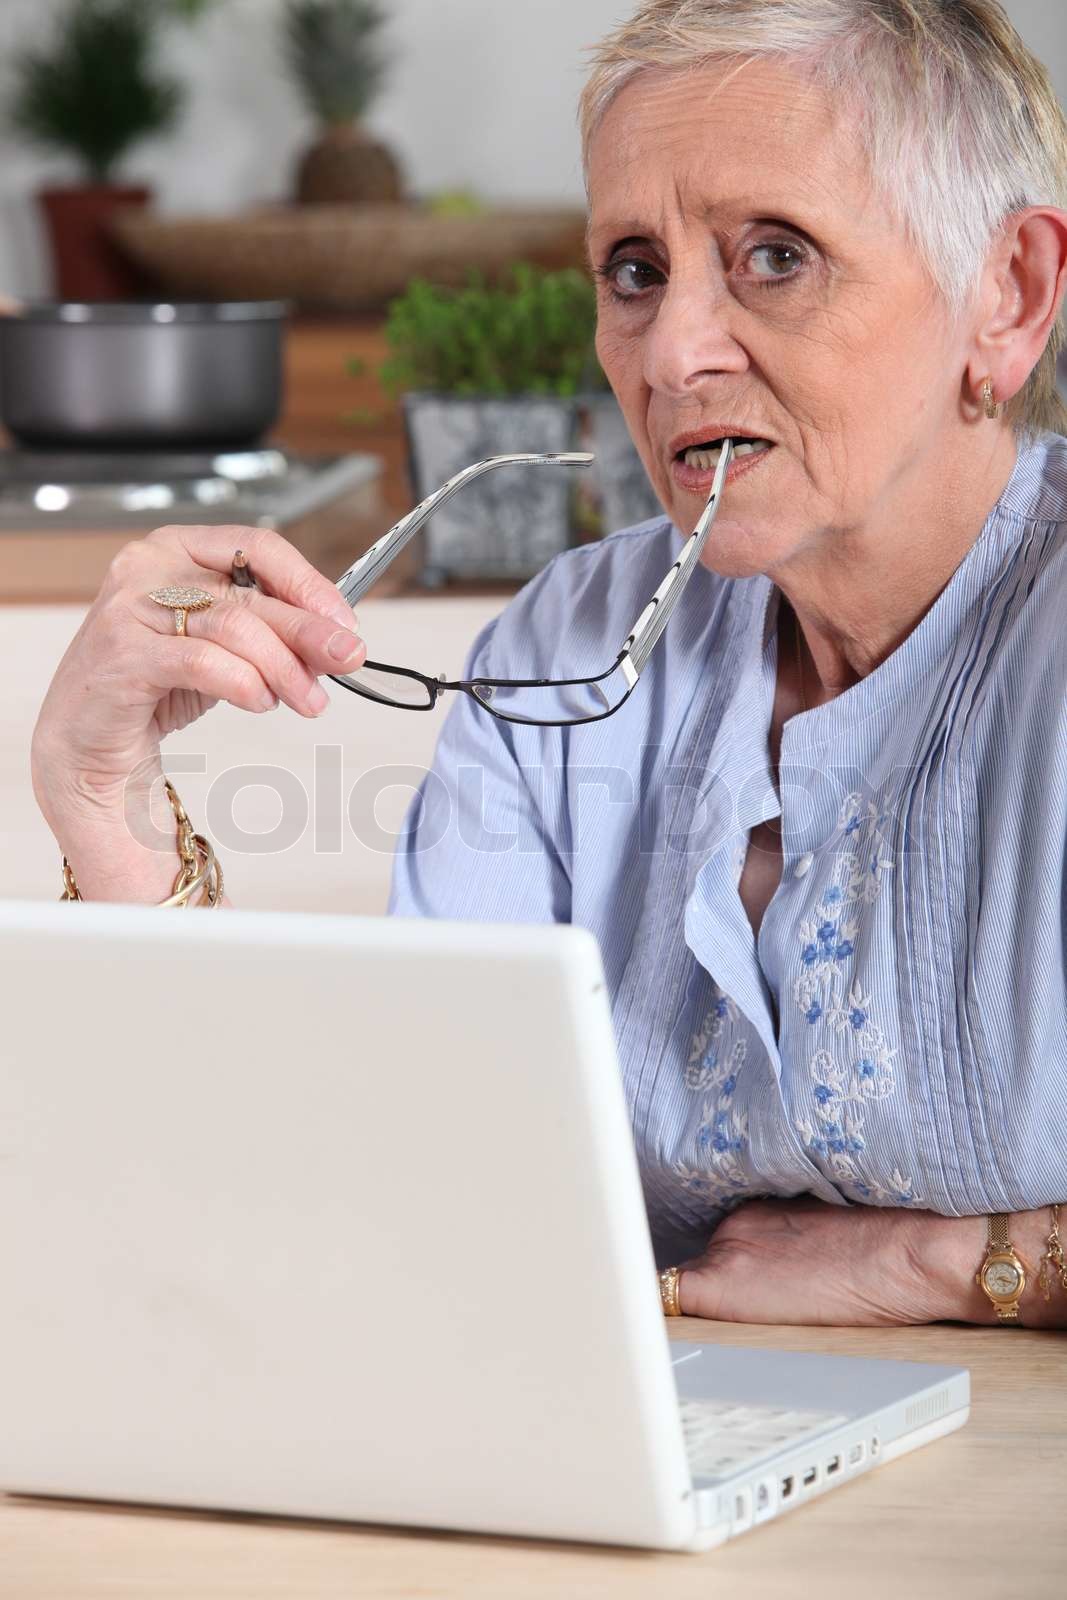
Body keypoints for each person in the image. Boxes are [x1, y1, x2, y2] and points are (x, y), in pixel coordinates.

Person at [33, 0, 1067, 1327]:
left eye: (774, 254)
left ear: (1011, 294)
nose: (675, 352)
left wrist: (947, 1267)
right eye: (634, 269)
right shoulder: (559, 653)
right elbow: (381, 1207)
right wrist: (102, 795)